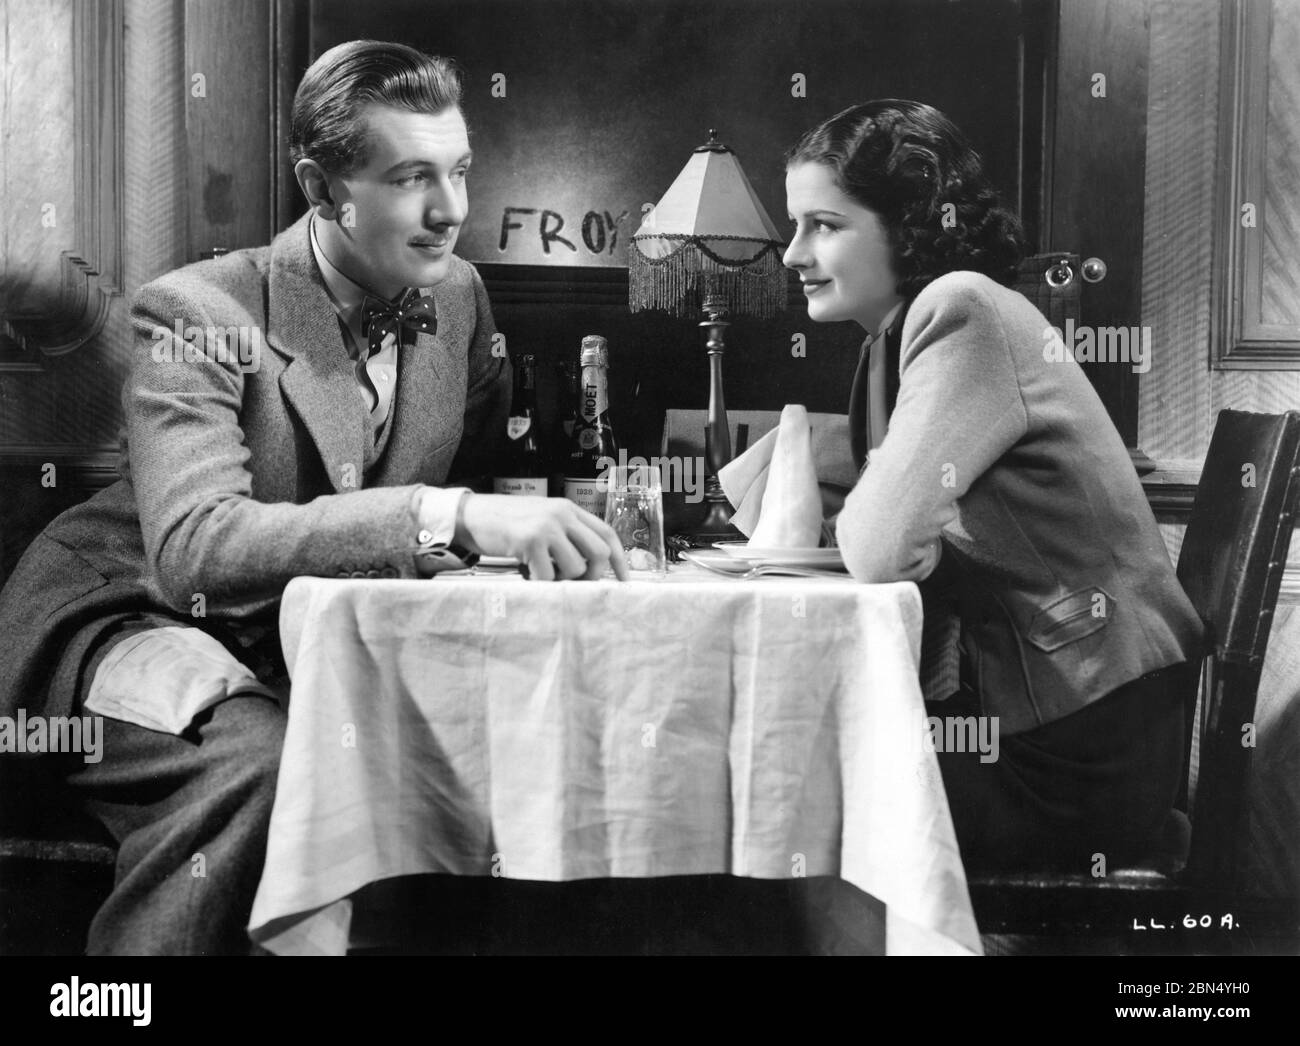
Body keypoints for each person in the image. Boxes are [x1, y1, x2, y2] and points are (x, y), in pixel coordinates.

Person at [0, 39, 627, 955]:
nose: (451, 210)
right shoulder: (199, 312)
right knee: (252, 766)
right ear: (323, 185)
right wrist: (440, 515)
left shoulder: (455, 298)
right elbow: (197, 550)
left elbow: (491, 476)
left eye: (458, 172)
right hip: (129, 616)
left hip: (312, 637)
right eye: (413, 178)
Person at [782, 100, 1204, 873]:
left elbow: (878, 547)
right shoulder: (896, 337)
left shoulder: (962, 309)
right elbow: (885, 487)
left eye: (824, 225)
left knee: (801, 793)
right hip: (1064, 719)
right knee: (806, 772)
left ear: (907, 223)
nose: (792, 254)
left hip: (1081, 747)